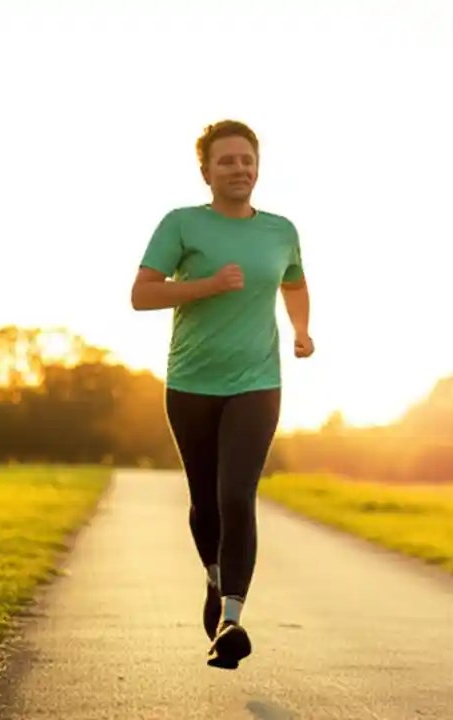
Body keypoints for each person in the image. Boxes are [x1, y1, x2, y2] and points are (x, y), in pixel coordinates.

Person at [130, 119, 313, 670]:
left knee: (237, 496)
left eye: (247, 160)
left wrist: (302, 331)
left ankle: (232, 619)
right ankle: (214, 580)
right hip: (190, 383)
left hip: (257, 382)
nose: (239, 169)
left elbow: (295, 283)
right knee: (204, 503)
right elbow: (141, 295)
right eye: (227, 161)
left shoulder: (281, 230)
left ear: (259, 166)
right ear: (206, 171)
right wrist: (206, 286)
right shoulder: (181, 224)